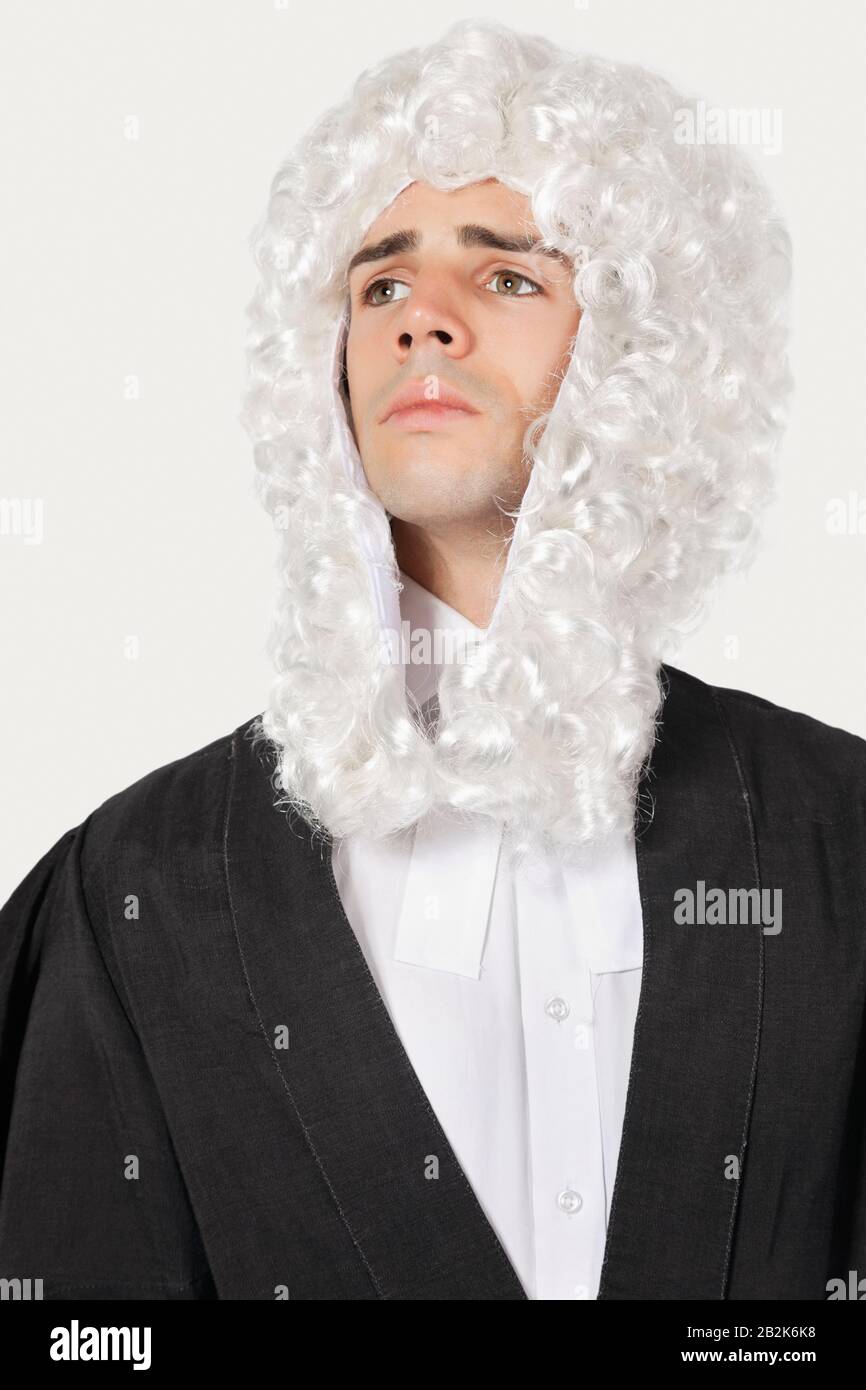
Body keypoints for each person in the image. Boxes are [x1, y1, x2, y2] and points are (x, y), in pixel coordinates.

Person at [1, 18, 865, 1303]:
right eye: (381, 284)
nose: (425, 325)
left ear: (639, 351)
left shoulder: (834, 835)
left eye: (509, 278)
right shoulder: (138, 892)